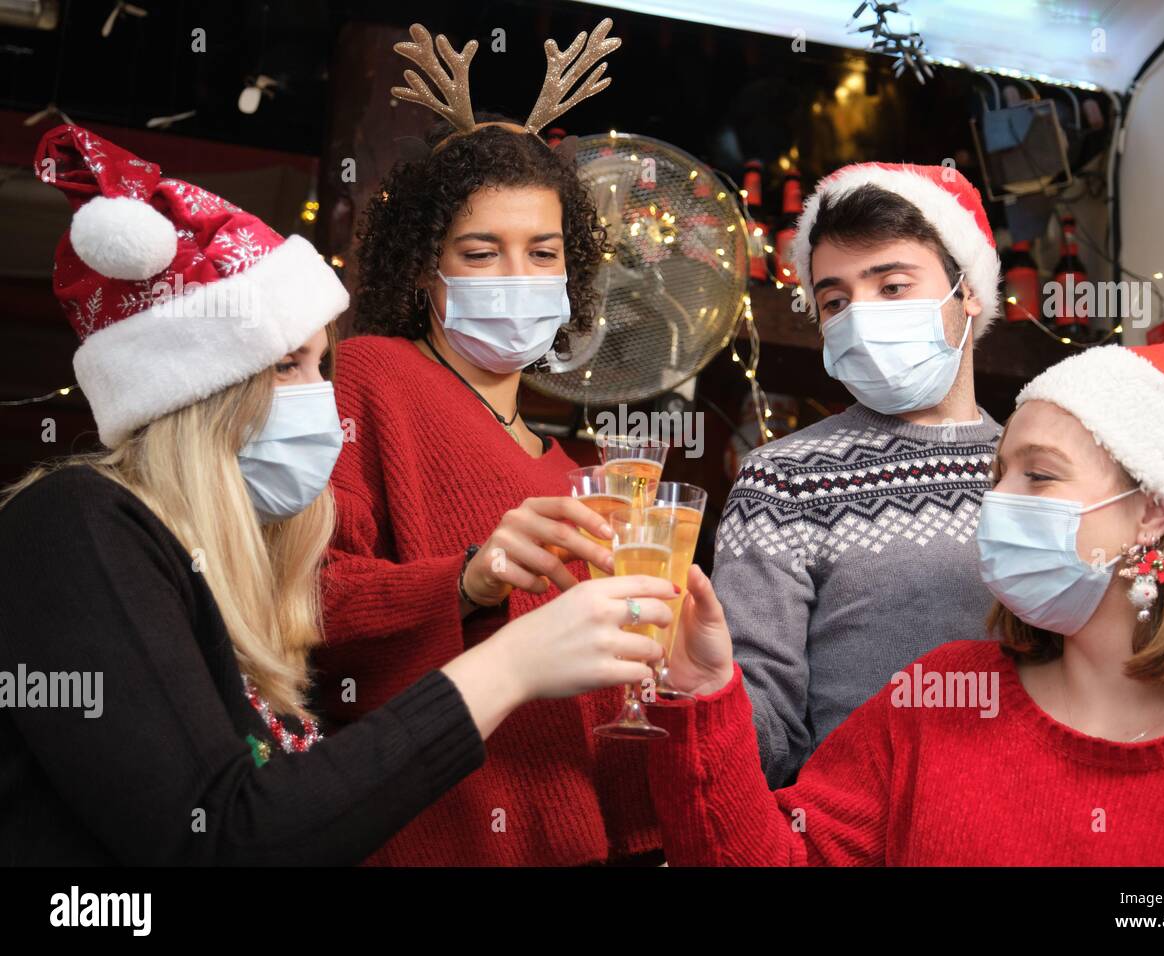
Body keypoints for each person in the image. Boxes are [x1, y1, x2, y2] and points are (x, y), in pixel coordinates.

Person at [0, 124, 674, 866]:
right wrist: (493, 635)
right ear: (192, 387)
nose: (323, 401)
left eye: (321, 366)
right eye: (291, 365)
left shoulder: (207, 567)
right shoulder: (78, 524)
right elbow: (227, 833)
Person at [648, 337, 1164, 865]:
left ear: (1154, 510)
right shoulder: (938, 697)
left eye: (1038, 475)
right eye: (998, 474)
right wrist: (703, 693)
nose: (997, 502)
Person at [314, 20, 671, 865]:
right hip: (426, 835)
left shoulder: (573, 474)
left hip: (576, 843)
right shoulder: (370, 377)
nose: (518, 276)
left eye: (541, 252)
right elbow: (308, 600)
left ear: (571, 274)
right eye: (482, 252)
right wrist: (468, 579)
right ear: (423, 269)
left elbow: (599, 705)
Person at [713, 162, 1004, 786]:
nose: (860, 316)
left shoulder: (1043, 469)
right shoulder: (781, 482)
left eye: (893, 286)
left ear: (968, 291)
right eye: (836, 300)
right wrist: (700, 692)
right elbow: (766, 737)